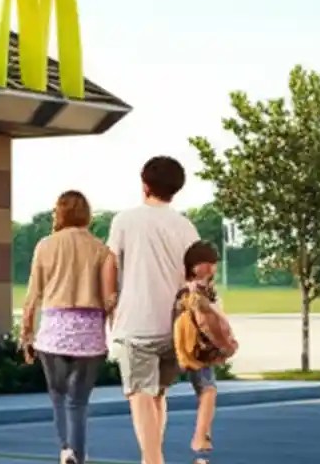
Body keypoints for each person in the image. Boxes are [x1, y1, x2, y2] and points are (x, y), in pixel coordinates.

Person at [103, 156, 201, 464]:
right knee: (158, 395)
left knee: (140, 395)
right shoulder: (186, 227)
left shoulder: (125, 220)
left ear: (144, 185)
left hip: (136, 323)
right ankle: (153, 458)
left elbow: (110, 262)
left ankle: (153, 460)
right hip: (173, 326)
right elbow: (196, 276)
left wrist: (110, 302)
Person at [20, 190, 117, 464]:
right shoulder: (101, 249)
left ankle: (65, 449)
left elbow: (32, 297)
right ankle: (79, 455)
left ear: (59, 213)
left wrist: (26, 335)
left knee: (58, 397)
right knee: (79, 402)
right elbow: (109, 299)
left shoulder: (45, 246)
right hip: (89, 332)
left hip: (54, 331)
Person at [173, 240, 239, 464]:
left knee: (206, 390)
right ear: (193, 266)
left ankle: (204, 435)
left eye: (213, 263)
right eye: (205, 263)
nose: (211, 267)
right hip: (197, 347)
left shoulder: (205, 289)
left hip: (197, 346)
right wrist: (224, 343)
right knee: (208, 390)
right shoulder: (195, 291)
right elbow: (203, 321)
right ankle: (200, 438)